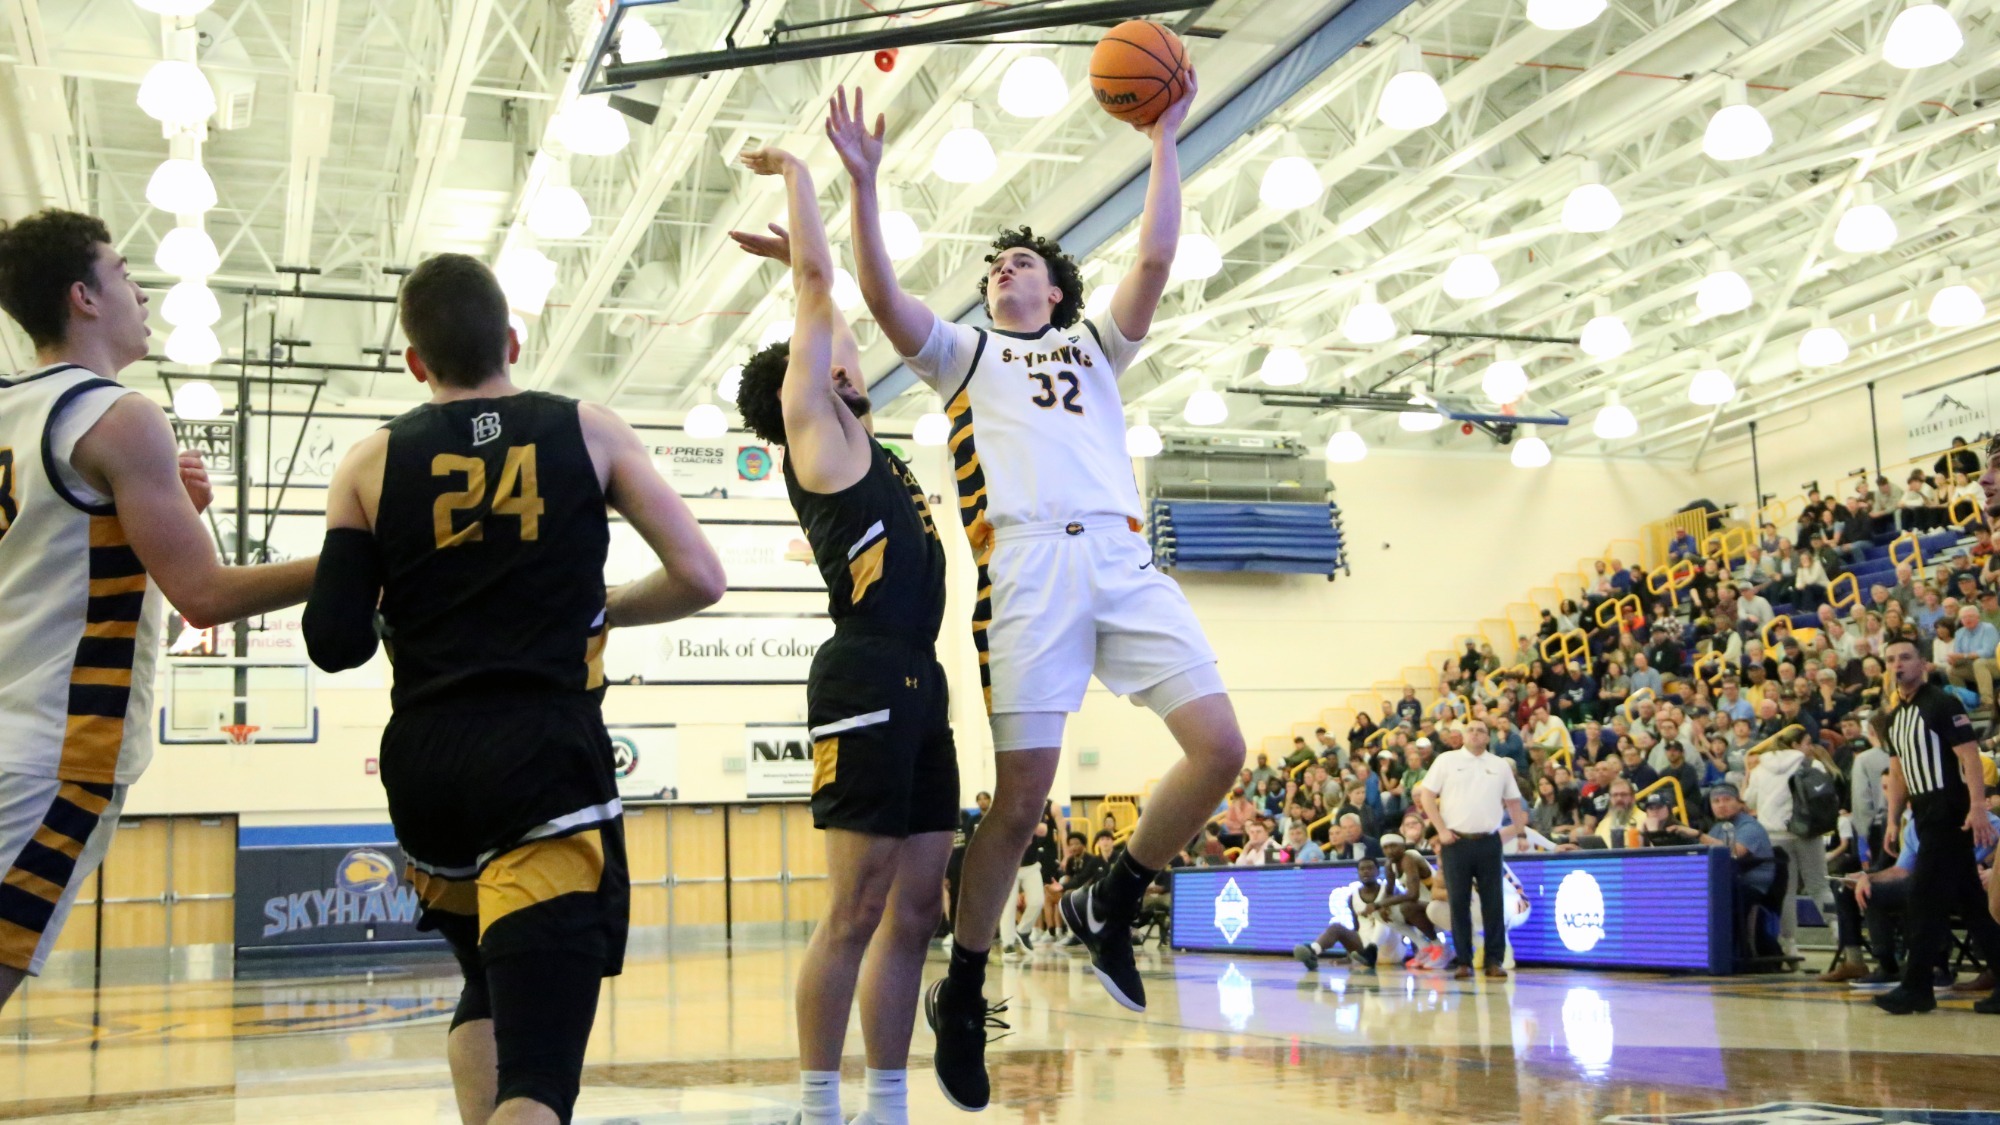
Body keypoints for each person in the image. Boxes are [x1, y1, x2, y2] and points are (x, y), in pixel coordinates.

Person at [832, 78, 1248, 1106]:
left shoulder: (1094, 346)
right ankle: (964, 987)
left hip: (1119, 556)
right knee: (1019, 803)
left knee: (1221, 749)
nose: (999, 269)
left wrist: (1164, 138)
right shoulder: (963, 356)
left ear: (1053, 289)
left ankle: (1116, 898)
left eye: (1017, 261)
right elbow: (884, 299)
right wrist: (865, 184)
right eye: (991, 264)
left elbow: (1151, 257)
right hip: (1026, 569)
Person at [301, 252, 726, 1124]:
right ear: (514, 340)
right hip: (543, 760)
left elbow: (333, 641)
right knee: (539, 1079)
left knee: (485, 982)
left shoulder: (369, 461)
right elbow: (700, 577)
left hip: (424, 770)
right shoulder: (590, 429)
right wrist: (602, 609)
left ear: (416, 363)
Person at [0, 211, 318, 1011]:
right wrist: (361, 557)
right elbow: (203, 595)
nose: (142, 290)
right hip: (57, 751)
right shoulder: (120, 414)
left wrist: (163, 511)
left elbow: (81, 576)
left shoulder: (14, 407)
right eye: (124, 272)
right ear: (84, 297)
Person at [725, 149, 959, 1125]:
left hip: (919, 676)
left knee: (915, 910)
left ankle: (889, 1103)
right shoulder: (815, 438)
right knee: (854, 908)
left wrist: (811, 282)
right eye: (832, 357)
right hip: (861, 667)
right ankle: (818, 1104)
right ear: (805, 387)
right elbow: (823, 289)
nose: (851, 354)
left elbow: (838, 307)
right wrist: (799, 182)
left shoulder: (866, 433)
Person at [1872, 636, 2000, 1014]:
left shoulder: (1942, 703)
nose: (1898, 665)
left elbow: (1970, 757)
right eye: (1891, 659)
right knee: (1974, 905)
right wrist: (1894, 820)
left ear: (1923, 664)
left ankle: (1917, 987)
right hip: (1923, 811)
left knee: (1922, 899)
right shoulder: (1895, 717)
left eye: (1906, 658)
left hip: (1948, 808)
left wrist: (1977, 806)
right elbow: (1897, 771)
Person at [1413, 720, 1526, 979]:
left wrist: (1519, 831)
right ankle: (1463, 961)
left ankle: (1493, 961)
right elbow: (1427, 796)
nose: (1476, 733)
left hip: (1489, 840)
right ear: (1462, 736)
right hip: (1456, 841)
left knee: (1493, 903)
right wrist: (1441, 830)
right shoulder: (1446, 760)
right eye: (1471, 730)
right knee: (1459, 903)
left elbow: (1513, 801)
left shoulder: (1499, 765)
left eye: (1481, 730)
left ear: (1488, 737)